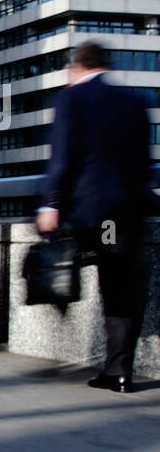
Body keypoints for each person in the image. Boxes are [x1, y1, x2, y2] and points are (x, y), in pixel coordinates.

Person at [37, 40, 153, 393]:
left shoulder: (71, 99)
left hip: (91, 215)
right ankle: (119, 372)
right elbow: (144, 165)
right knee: (123, 289)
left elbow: (62, 159)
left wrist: (50, 204)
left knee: (52, 264)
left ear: (78, 67)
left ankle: (61, 313)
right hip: (127, 213)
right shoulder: (135, 103)